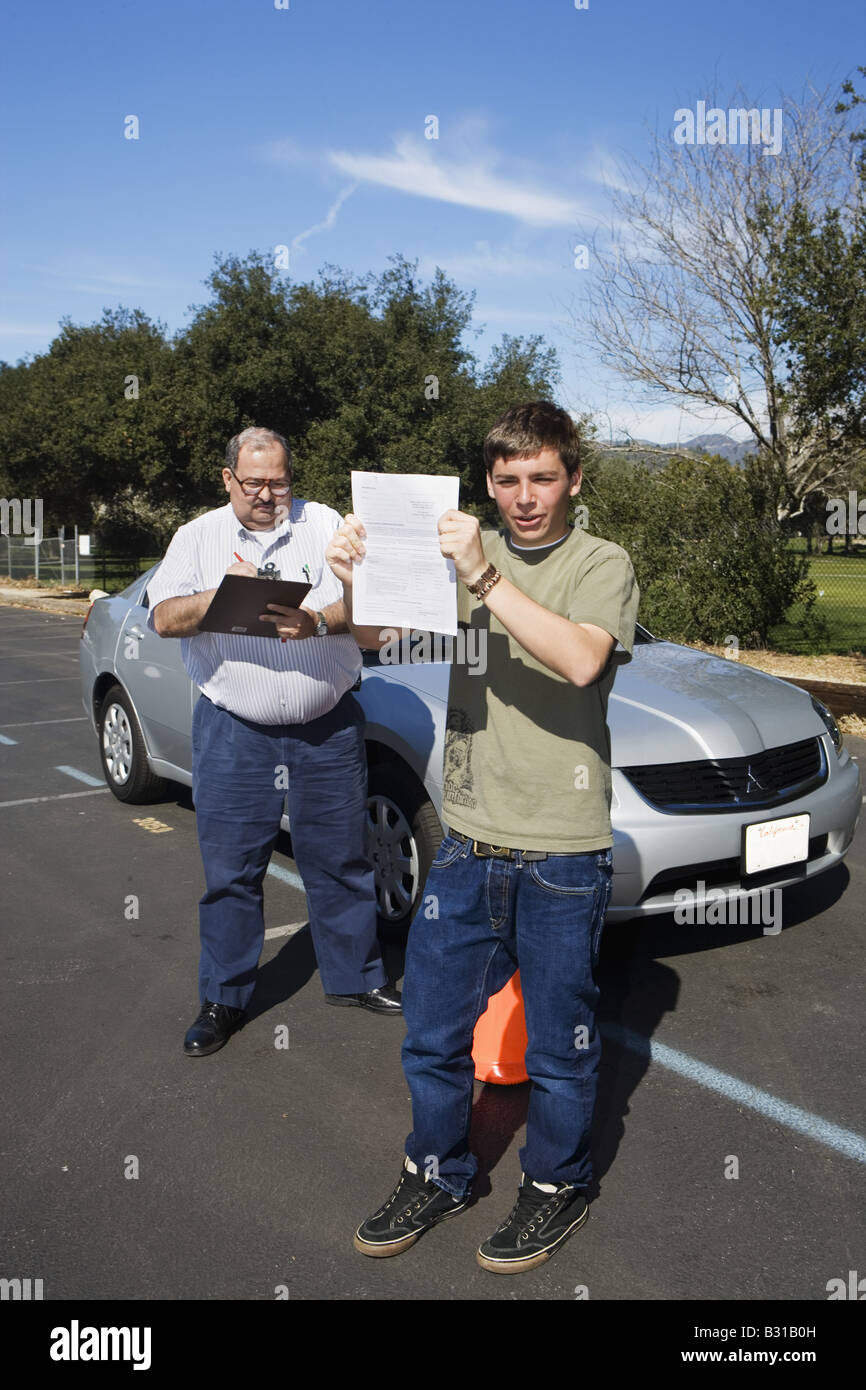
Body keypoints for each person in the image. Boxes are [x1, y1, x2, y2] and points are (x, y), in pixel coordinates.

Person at [326, 401, 639, 1273]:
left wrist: (487, 578)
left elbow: (579, 658)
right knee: (431, 1028)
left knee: (559, 1043)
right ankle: (438, 1170)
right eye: (508, 480)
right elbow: (370, 638)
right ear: (489, 483)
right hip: (466, 839)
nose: (525, 496)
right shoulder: (465, 553)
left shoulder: (599, 562)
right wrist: (355, 577)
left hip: (562, 847)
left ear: (574, 479)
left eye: (544, 477)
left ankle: (558, 1183)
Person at [147, 425, 401, 1058]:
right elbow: (161, 617)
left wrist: (316, 619)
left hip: (327, 726)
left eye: (279, 481)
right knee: (232, 873)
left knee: (341, 860)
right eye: (253, 482)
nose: (267, 494)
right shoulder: (196, 536)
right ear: (228, 478)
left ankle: (355, 979)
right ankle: (223, 999)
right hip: (235, 730)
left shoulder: (328, 527)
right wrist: (224, 597)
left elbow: (373, 618)